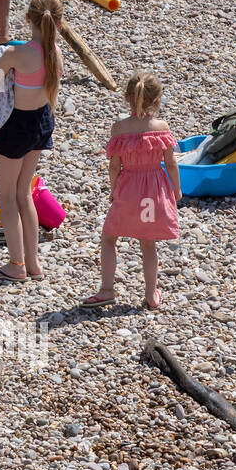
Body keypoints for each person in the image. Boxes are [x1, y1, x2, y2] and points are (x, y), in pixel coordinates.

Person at [0, 0, 63, 282]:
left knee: (6, 195)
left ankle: (16, 264)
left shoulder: (16, 54)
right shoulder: (55, 54)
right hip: (41, 122)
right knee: (25, 192)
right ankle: (34, 263)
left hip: (16, 126)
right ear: (58, 23)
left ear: (28, 19)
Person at [81, 73, 181, 311]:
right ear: (157, 101)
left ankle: (106, 289)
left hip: (128, 189)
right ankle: (150, 294)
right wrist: (176, 190)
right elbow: (171, 163)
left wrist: (114, 190)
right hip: (154, 191)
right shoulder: (161, 128)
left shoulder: (119, 129)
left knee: (109, 237)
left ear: (127, 98)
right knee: (148, 243)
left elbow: (115, 165)